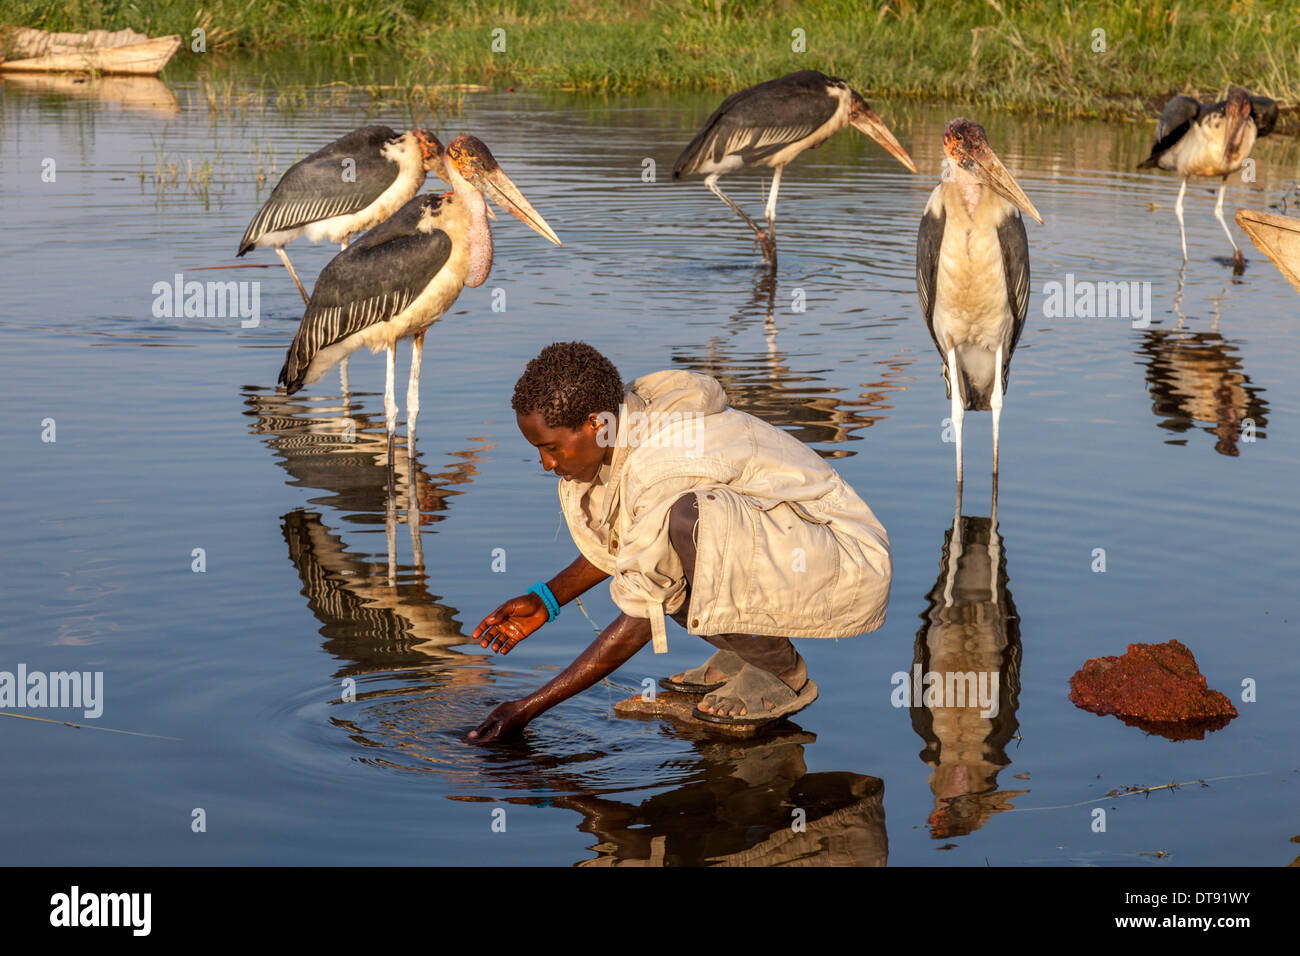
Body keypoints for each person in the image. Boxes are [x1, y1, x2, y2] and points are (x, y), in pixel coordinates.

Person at [468, 341, 891, 743]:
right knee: (668, 540)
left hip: (844, 559)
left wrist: (529, 707)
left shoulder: (663, 462)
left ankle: (779, 671)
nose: (546, 464)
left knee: (686, 523)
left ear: (594, 424)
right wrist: (548, 598)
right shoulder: (623, 420)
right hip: (790, 539)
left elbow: (643, 610)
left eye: (551, 448)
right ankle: (746, 649)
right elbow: (630, 543)